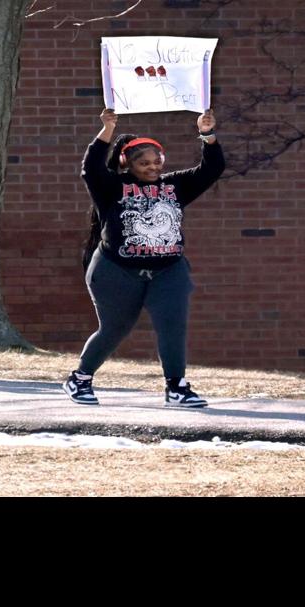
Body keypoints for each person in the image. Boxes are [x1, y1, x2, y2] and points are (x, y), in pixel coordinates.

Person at [69, 106, 223, 408]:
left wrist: (207, 134)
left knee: (172, 324)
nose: (152, 167)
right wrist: (106, 130)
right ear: (128, 164)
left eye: (156, 162)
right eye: (144, 163)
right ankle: (80, 378)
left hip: (168, 270)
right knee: (115, 329)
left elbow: (211, 170)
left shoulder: (174, 186)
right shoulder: (113, 186)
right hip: (116, 270)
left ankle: (176, 387)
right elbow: (90, 168)